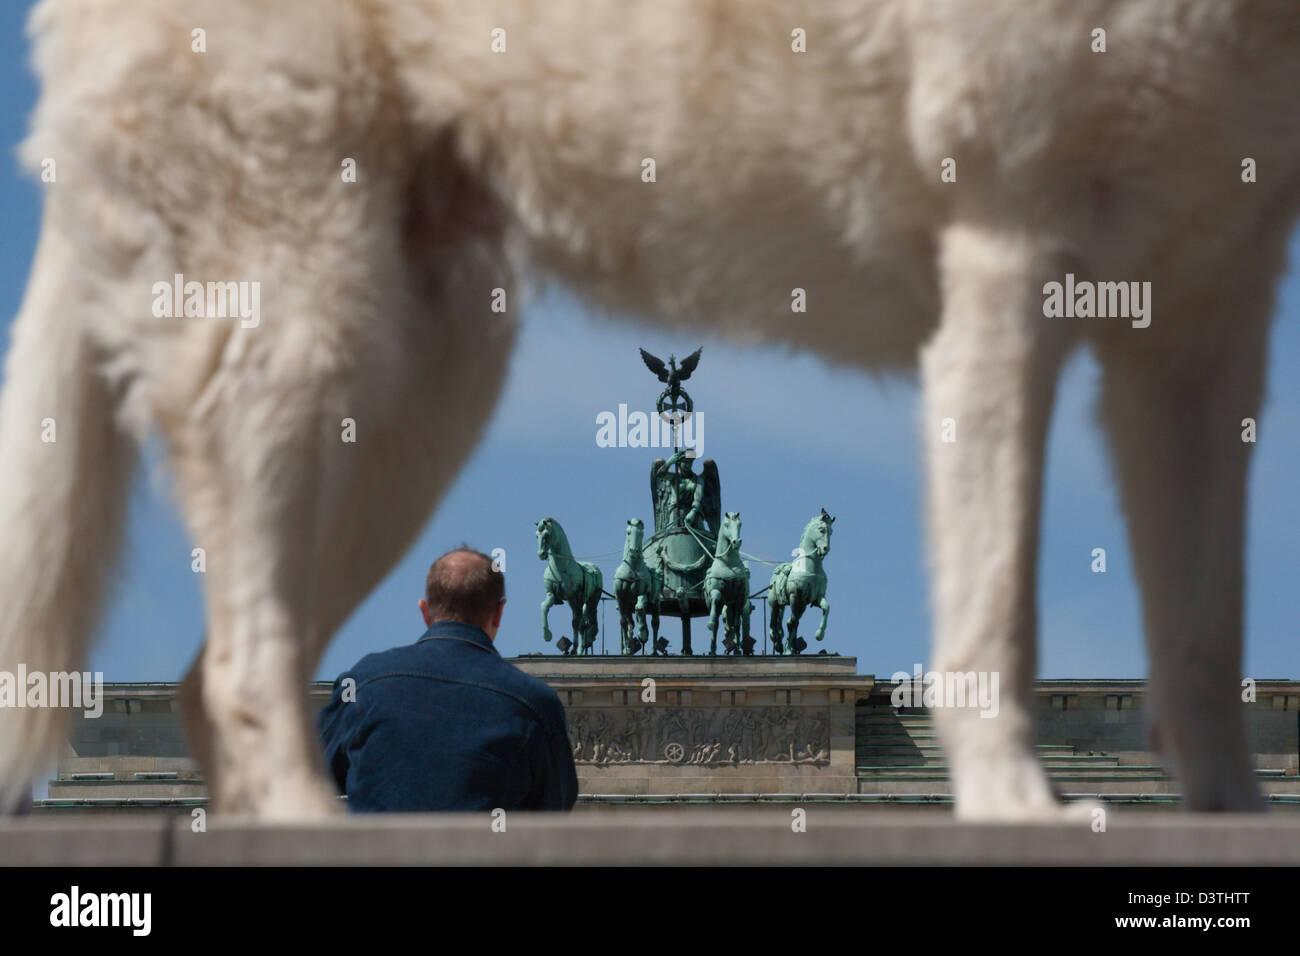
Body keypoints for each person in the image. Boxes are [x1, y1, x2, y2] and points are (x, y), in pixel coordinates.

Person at [317, 547, 578, 812]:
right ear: (499, 613)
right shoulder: (536, 704)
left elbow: (307, 774)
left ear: (424, 610)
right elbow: (553, 811)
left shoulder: (362, 683)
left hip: (381, 853)